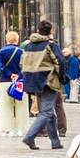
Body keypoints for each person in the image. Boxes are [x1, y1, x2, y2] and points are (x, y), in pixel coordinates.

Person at [21, 18, 66, 150]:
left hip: (33, 80)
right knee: (46, 112)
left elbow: (21, 63)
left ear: (38, 31)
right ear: (50, 31)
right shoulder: (50, 45)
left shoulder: (28, 45)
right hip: (47, 80)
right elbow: (61, 62)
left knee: (48, 112)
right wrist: (62, 77)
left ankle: (55, 142)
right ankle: (30, 136)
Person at [0, 30, 29, 137]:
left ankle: (7, 129)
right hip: (20, 82)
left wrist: (9, 74)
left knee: (6, 106)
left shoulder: (1, 51)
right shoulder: (21, 51)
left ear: (7, 39)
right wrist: (17, 75)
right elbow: (25, 66)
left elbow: (0, 66)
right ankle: (21, 129)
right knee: (21, 105)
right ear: (17, 39)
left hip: (5, 81)